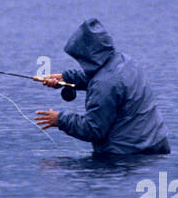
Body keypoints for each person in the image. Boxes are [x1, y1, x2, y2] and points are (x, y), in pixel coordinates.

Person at [34, 18, 170, 156]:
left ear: (86, 54)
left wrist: (59, 119)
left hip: (127, 155)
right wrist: (65, 78)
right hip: (157, 145)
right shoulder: (125, 61)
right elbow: (105, 78)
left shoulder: (104, 84)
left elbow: (93, 129)